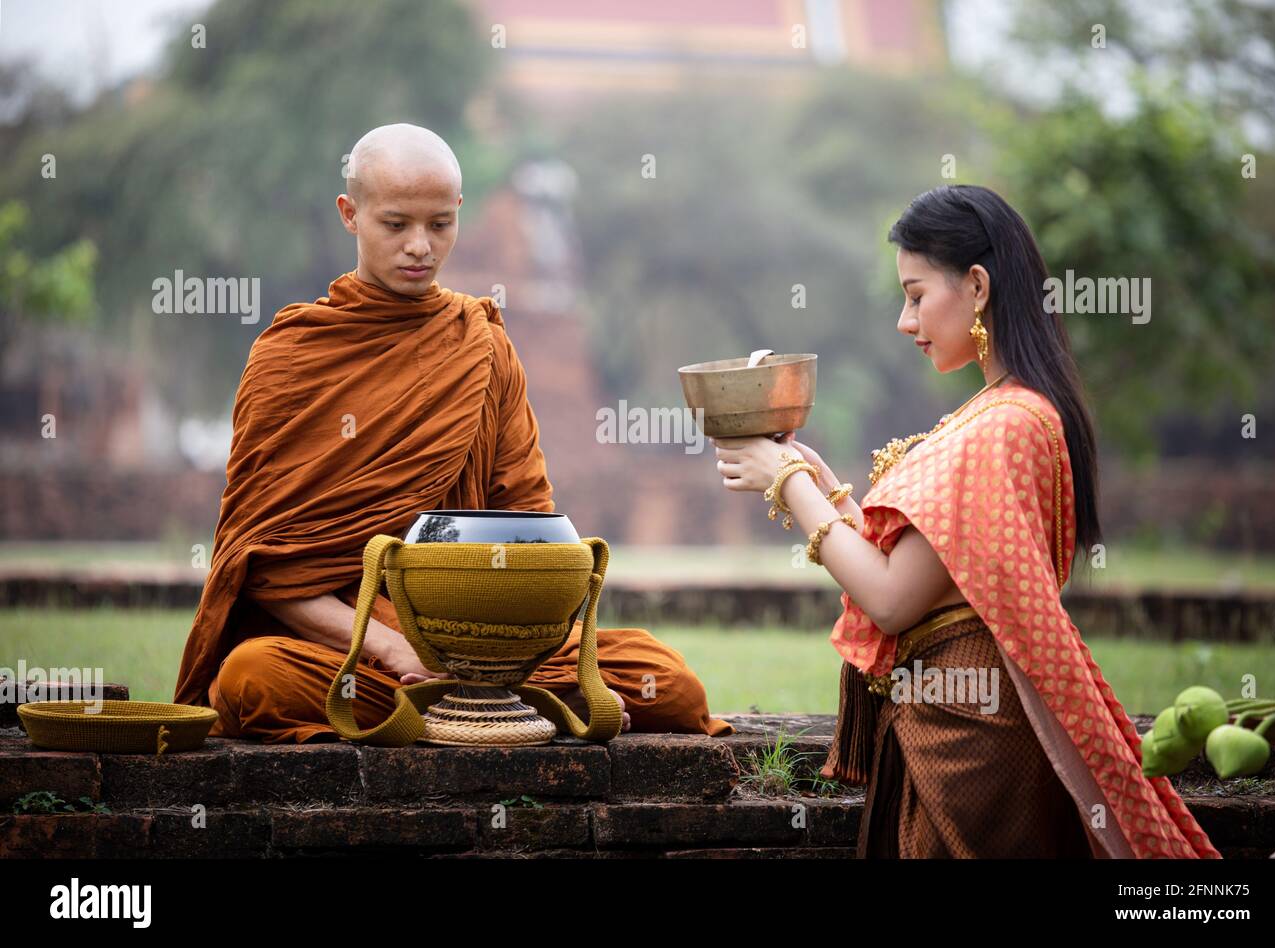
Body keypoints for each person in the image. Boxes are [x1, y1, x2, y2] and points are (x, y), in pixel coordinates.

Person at [173, 123, 733, 742]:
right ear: (349, 214)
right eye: (395, 225)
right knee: (251, 679)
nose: (420, 246)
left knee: (671, 684)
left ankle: (484, 696)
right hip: (355, 646)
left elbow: (529, 524)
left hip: (488, 634)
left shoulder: (482, 344)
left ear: (459, 213)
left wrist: (504, 648)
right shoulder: (289, 358)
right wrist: (393, 650)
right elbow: (266, 570)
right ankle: (503, 704)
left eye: (439, 225)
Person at [710, 184, 1219, 858]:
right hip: (959, 716)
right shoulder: (1009, 410)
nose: (904, 319)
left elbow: (892, 599)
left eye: (917, 295)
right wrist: (819, 481)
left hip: (971, 741)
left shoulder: (1005, 425)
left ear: (977, 286)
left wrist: (787, 482)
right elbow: (925, 571)